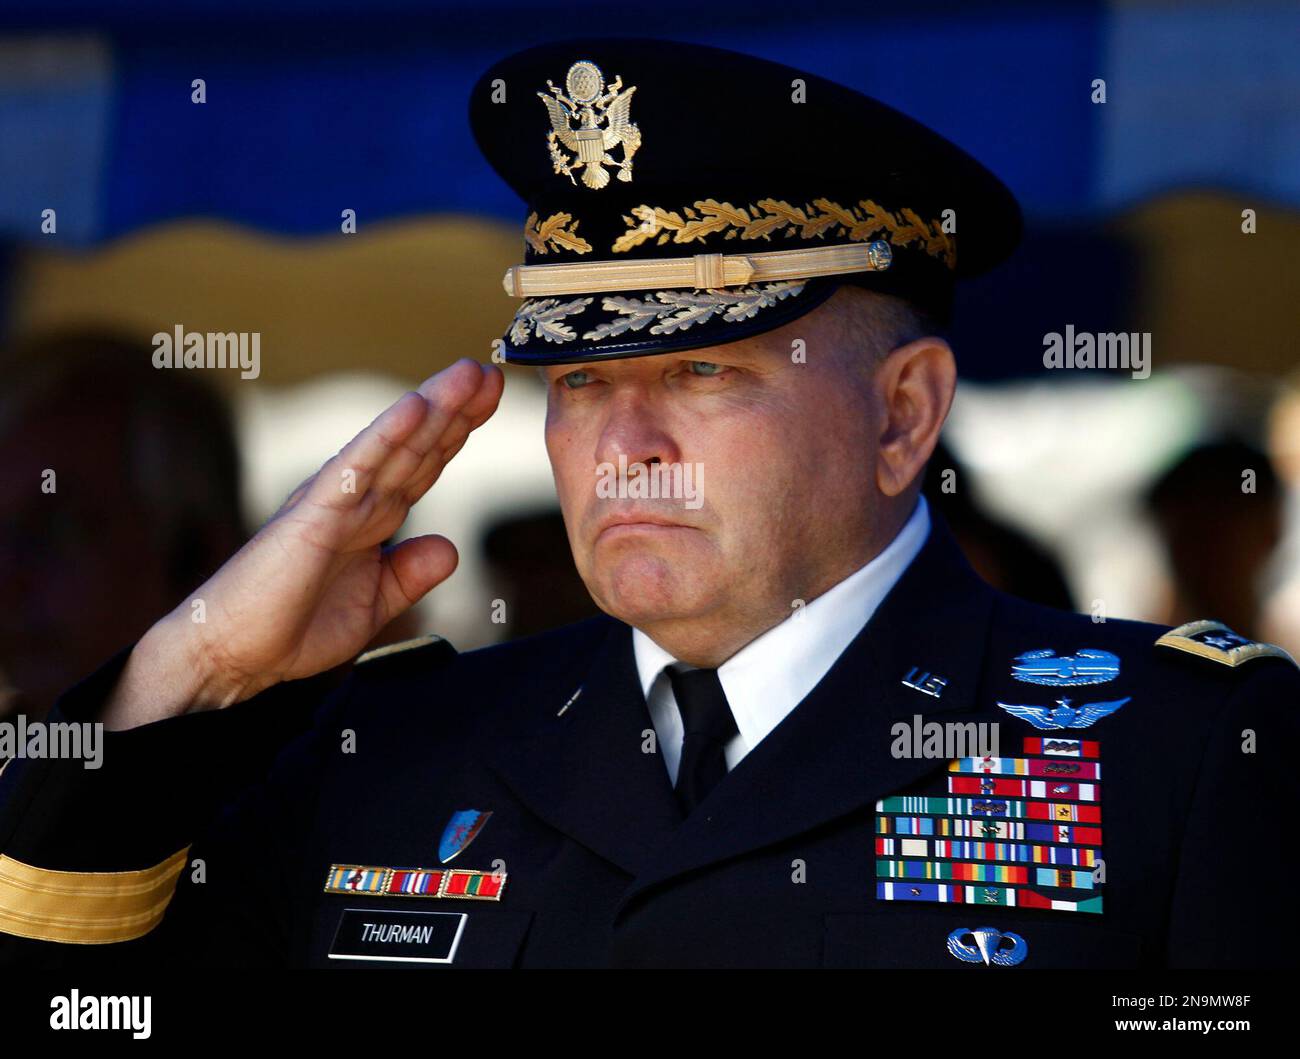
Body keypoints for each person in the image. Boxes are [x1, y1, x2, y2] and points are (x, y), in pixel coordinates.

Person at [0, 39, 1296, 969]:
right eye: (579, 380)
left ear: (903, 412)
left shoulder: (1181, 758)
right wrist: (190, 670)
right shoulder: (391, 749)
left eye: (703, 369)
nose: (624, 444)